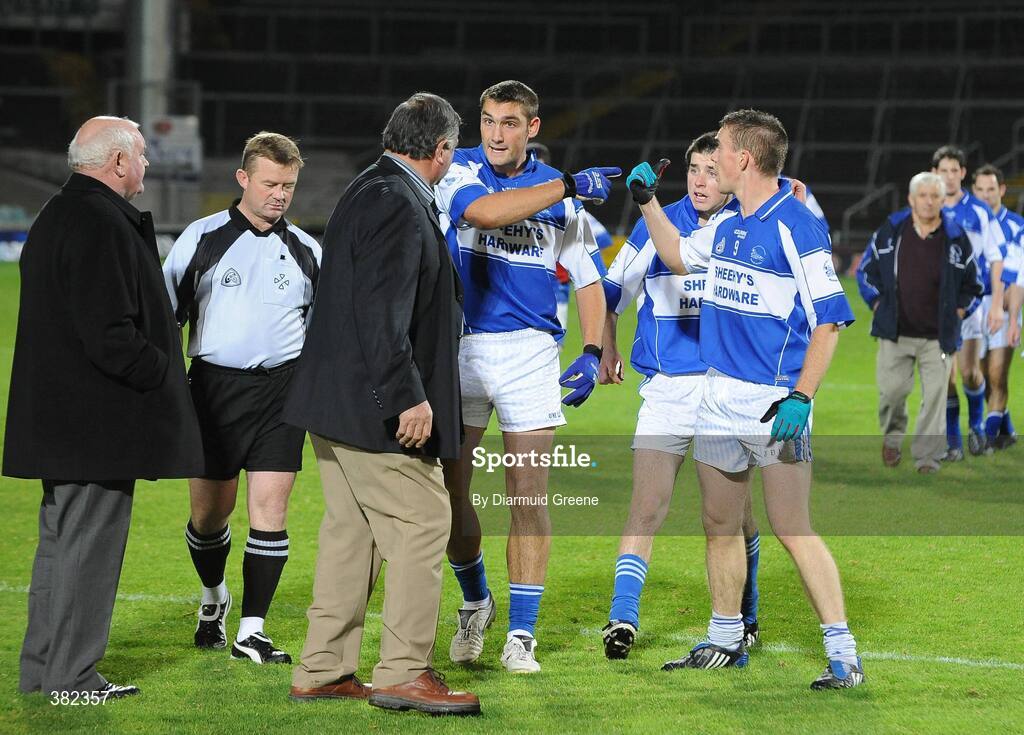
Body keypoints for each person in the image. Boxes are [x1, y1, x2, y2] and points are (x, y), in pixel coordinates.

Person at [632, 109, 864, 689]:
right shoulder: (727, 224)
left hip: (774, 405)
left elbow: (829, 321)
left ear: (744, 159)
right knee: (719, 523)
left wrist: (801, 397)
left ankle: (844, 654)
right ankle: (725, 639)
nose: (713, 160)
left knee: (791, 525)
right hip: (717, 398)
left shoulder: (797, 225)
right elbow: (677, 256)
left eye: (721, 150)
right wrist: (647, 202)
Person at [282, 92, 479, 715]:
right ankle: (404, 671)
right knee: (425, 521)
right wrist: (405, 397)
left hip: (336, 403)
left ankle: (323, 669)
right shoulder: (397, 201)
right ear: (441, 150)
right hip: (374, 408)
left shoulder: (369, 187)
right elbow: (381, 312)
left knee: (354, 533)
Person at [4, 116, 203, 699]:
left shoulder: (59, 212)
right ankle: (72, 677)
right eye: (140, 154)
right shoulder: (99, 220)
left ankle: (44, 673)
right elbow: (110, 336)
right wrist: (164, 371)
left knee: (60, 549)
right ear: (117, 162)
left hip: (63, 423)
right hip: (97, 426)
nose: (146, 164)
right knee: (87, 553)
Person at [434, 80, 620, 674]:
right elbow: (485, 213)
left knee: (528, 496)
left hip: (530, 353)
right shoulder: (458, 170)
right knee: (449, 496)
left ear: (532, 128)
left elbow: (588, 279)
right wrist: (566, 186)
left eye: (509, 122)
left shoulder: (561, 199)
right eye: (488, 120)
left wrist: (591, 350)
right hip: (460, 348)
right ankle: (476, 601)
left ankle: (521, 634)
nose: (495, 134)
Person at [598, 132, 762, 659]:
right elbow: (610, 289)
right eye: (694, 169)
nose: (700, 180)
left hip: (727, 390)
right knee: (646, 505)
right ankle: (622, 616)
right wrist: (604, 346)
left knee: (736, 517)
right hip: (668, 389)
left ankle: (746, 614)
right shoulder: (658, 223)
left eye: (712, 170)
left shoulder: (747, 227)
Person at [162, 132, 320, 664]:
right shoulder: (202, 237)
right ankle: (214, 596)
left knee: (270, 511)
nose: (280, 194)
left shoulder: (307, 251)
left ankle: (252, 631)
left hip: (282, 393)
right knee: (210, 517)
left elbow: (322, 334)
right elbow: (165, 318)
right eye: (271, 183)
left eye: (289, 186)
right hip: (213, 391)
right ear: (243, 179)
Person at [857, 172, 982, 473]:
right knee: (892, 393)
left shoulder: (956, 238)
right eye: (922, 196)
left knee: (936, 397)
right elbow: (865, 271)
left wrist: (959, 311)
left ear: (942, 200)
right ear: (911, 199)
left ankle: (927, 458)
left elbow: (974, 285)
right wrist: (877, 304)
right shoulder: (890, 231)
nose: (928, 202)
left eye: (934, 196)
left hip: (938, 336)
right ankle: (892, 438)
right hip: (895, 332)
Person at [930, 146, 1005, 459]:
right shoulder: (928, 207)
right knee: (944, 375)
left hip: (971, 302)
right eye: (943, 170)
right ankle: (953, 443)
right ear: (934, 173)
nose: (949, 176)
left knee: (971, 372)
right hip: (938, 306)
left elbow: (996, 257)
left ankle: (975, 426)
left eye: (954, 170)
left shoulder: (979, 211)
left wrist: (997, 304)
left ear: (962, 173)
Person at [525, 141, 614, 342]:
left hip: (556, 290)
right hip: (524, 291)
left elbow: (602, 238)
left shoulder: (565, 206)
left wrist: (571, 260)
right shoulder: (506, 202)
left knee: (553, 344)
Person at [971, 163, 1023, 448]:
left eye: (991, 189)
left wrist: (1012, 316)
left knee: (997, 373)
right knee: (980, 376)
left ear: (1001, 190)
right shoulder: (968, 223)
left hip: (1003, 304)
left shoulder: (1016, 226)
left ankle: (987, 440)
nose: (986, 195)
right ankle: (1006, 431)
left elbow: (1018, 276)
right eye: (980, 189)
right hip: (974, 306)